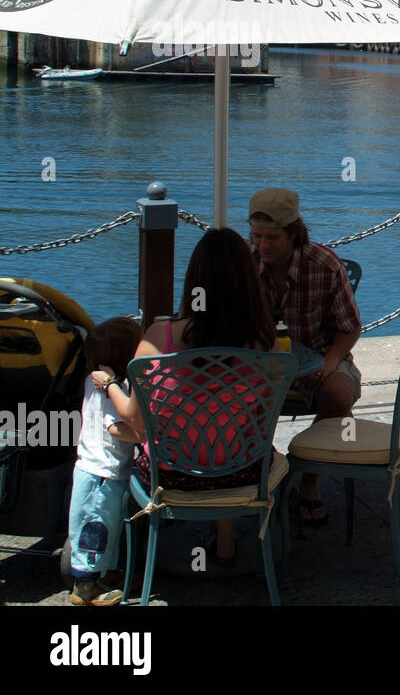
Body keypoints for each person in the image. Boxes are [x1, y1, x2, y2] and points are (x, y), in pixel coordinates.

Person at [108, 228, 275, 566]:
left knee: (112, 430)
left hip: (170, 475)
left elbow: (136, 419)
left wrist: (110, 382)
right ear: (247, 282)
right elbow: (261, 418)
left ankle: (106, 550)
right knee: (228, 436)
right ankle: (226, 541)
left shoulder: (159, 337)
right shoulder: (264, 344)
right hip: (240, 473)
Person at [247, 188, 361, 527]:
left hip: (319, 356)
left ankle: (308, 480)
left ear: (293, 234)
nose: (263, 246)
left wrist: (330, 361)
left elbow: (350, 327)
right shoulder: (244, 261)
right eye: (256, 237)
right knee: (240, 398)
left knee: (339, 393)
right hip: (259, 363)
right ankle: (260, 471)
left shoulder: (323, 264)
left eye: (272, 238)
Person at [67, 317, 142, 606]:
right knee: (96, 526)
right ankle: (86, 586)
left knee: (103, 525)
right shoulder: (111, 391)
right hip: (103, 472)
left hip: (93, 468)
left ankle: (101, 573)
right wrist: (142, 436)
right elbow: (114, 427)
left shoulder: (91, 380)